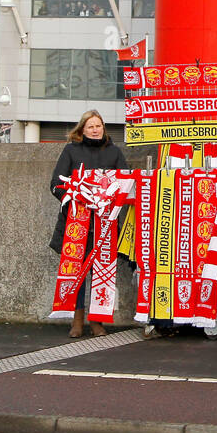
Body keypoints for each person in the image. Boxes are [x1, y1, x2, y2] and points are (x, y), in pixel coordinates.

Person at [47, 109, 129, 338]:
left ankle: (97, 320)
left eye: (99, 126)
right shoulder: (71, 150)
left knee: (102, 272)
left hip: (104, 222)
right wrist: (76, 198)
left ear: (104, 128)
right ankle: (77, 319)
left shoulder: (113, 152)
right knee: (77, 273)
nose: (95, 129)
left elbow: (125, 180)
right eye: (91, 126)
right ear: (82, 129)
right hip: (76, 221)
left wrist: (108, 198)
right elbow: (56, 182)